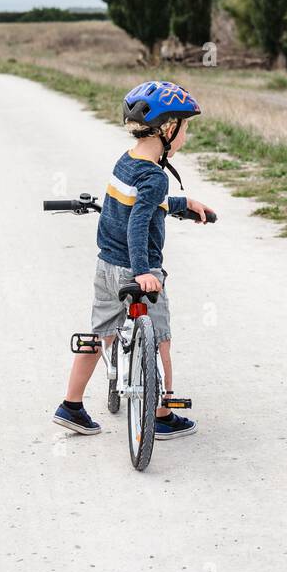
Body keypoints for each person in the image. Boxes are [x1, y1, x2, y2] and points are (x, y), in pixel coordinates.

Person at [53, 81, 212, 437]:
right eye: (185, 128)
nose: (186, 135)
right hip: (138, 269)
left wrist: (184, 204)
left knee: (100, 333)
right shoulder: (155, 176)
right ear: (168, 130)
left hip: (107, 265)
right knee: (161, 337)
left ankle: (71, 405)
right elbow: (138, 224)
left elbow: (134, 206)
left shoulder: (126, 161)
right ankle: (162, 413)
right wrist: (142, 272)